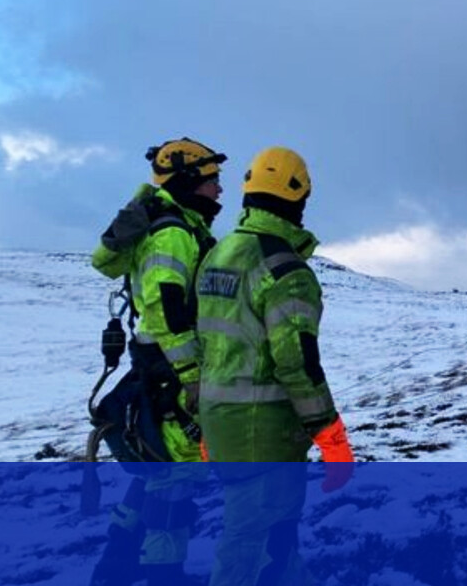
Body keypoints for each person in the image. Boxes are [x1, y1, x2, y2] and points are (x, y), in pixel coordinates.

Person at [195, 146, 353, 585]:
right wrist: (330, 434)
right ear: (300, 198)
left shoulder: (219, 255)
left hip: (221, 424)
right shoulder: (285, 270)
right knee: (248, 546)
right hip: (264, 433)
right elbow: (297, 364)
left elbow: (205, 347)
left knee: (275, 543)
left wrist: (204, 422)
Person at [90, 137, 226, 586]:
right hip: (170, 371)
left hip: (157, 367)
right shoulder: (173, 233)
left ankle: (113, 569)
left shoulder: (177, 226)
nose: (219, 191)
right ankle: (164, 573)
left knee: (156, 470)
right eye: (211, 181)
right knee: (175, 480)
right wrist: (193, 378)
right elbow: (167, 313)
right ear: (189, 181)